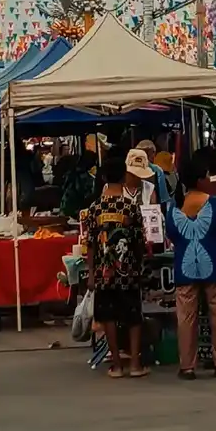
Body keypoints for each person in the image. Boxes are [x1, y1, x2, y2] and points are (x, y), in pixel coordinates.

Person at [168, 154, 216, 379]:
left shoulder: (174, 207)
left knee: (185, 318)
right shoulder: (215, 204)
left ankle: (187, 366)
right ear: (200, 179)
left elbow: (173, 236)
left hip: (185, 268)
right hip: (215, 264)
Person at [84, 151, 147, 379]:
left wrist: (91, 274)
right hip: (128, 270)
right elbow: (140, 242)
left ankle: (117, 365)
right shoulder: (130, 208)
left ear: (103, 179)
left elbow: (89, 244)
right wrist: (139, 264)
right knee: (133, 315)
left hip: (103, 272)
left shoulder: (94, 209)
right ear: (124, 177)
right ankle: (136, 364)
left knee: (108, 316)